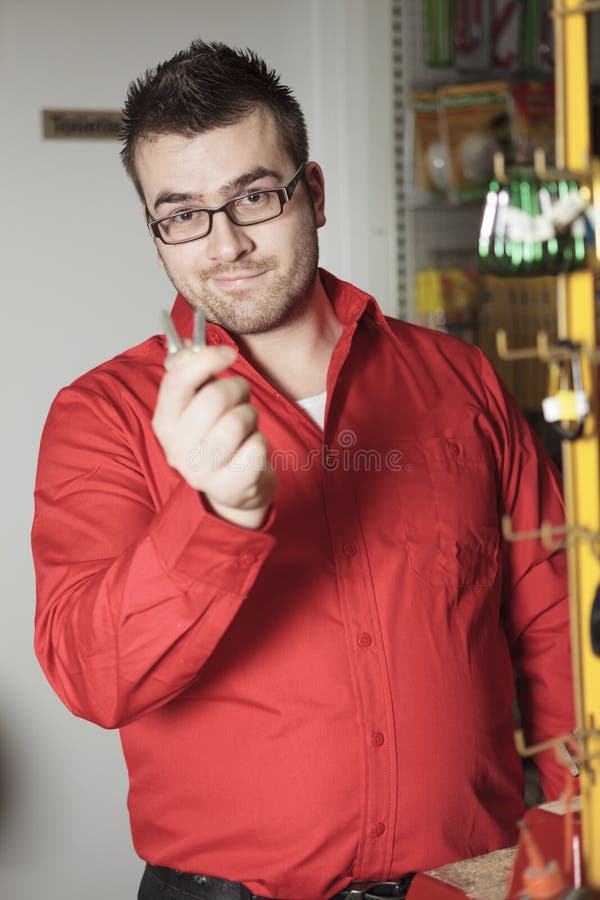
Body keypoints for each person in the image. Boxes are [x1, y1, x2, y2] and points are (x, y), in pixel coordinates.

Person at [32, 39, 574, 900]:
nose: (226, 243)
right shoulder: (101, 417)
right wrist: (218, 517)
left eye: (254, 196)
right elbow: (93, 677)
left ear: (312, 193)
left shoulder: (458, 380)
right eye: (181, 215)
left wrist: (572, 832)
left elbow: (554, 625)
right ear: (157, 232)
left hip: (471, 882)